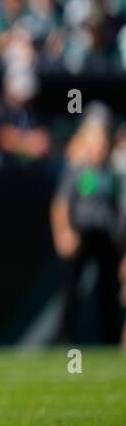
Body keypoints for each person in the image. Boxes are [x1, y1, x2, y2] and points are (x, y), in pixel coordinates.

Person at [51, 111, 123, 344]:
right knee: (72, 290)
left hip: (105, 237)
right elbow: (60, 204)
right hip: (81, 233)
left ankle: (109, 338)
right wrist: (64, 233)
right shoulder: (77, 170)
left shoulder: (111, 173)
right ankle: (66, 338)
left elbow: (116, 209)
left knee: (108, 290)